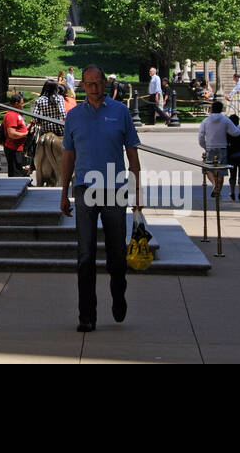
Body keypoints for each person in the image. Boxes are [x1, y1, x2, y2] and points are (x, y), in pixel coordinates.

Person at [60, 65, 141, 333]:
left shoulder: (120, 112)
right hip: (84, 189)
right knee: (85, 255)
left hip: (114, 189)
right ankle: (87, 315)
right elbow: (68, 156)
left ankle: (119, 296)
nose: (94, 89)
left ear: (105, 83)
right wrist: (64, 192)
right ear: (82, 85)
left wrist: (137, 190)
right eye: (89, 84)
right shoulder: (73, 116)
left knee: (117, 255)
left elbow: (132, 156)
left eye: (98, 83)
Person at [197, 100, 240, 197]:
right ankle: (218, 190)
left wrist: (205, 146)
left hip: (210, 147)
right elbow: (235, 132)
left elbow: (200, 137)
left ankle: (214, 184)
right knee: (221, 170)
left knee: (208, 168)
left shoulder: (206, 121)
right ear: (221, 109)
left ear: (211, 109)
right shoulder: (225, 120)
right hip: (222, 147)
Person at [31, 79, 67, 187]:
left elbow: (35, 117)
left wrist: (42, 121)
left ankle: (31, 163)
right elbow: (63, 114)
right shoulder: (59, 98)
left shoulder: (39, 100)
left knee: (34, 146)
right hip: (59, 131)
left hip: (45, 130)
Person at [2, 92, 30, 178]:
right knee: (16, 173)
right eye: (21, 104)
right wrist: (25, 134)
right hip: (13, 149)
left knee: (21, 170)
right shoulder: (11, 115)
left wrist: (29, 126)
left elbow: (20, 128)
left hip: (19, 148)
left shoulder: (17, 114)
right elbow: (11, 134)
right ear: (16, 104)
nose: (23, 105)